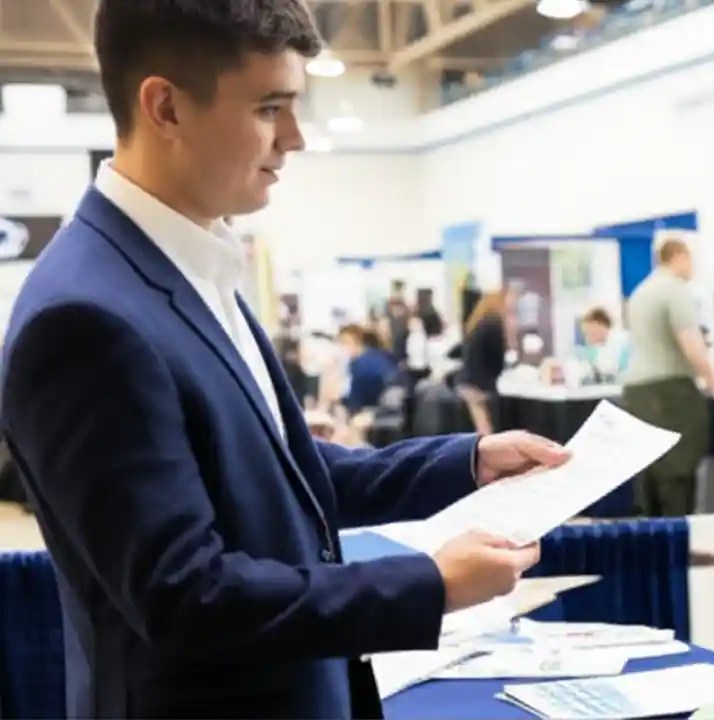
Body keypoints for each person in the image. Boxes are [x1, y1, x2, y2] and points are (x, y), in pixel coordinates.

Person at [0, 3, 570, 716]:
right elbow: (185, 596)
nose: (295, 139)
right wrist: (429, 584)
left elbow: (278, 471)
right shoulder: (85, 317)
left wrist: (466, 463)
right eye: (271, 107)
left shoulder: (187, 266)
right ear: (166, 107)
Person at [623, 238, 714, 517]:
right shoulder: (675, 289)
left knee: (649, 474)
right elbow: (690, 341)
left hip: (636, 391)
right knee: (677, 475)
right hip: (669, 392)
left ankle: (651, 542)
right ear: (678, 256)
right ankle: (677, 540)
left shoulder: (639, 292)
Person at [458, 289, 511, 435]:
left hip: (468, 381)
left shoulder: (478, 322)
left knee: (482, 426)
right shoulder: (494, 323)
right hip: (479, 385)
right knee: (485, 429)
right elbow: (497, 358)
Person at [338, 323, 398, 415]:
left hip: (374, 412)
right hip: (393, 409)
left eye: (343, 344)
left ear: (353, 342)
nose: (342, 349)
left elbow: (355, 401)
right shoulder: (383, 355)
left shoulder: (358, 364)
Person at [574, 307, 629, 382]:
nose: (587, 339)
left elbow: (611, 370)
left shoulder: (621, 340)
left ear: (598, 326)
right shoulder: (601, 347)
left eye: (588, 333)